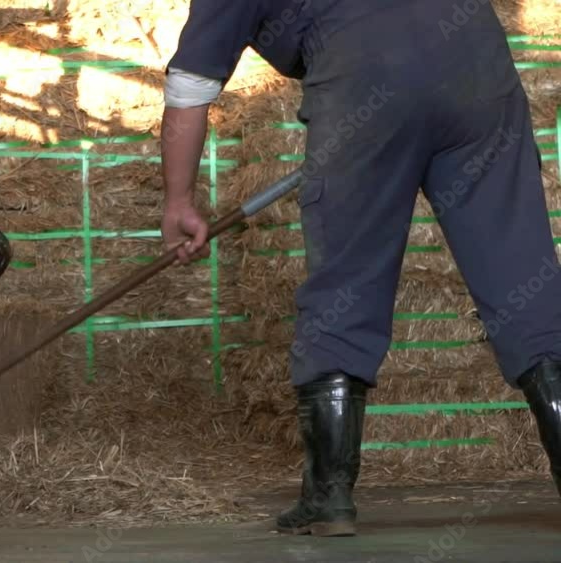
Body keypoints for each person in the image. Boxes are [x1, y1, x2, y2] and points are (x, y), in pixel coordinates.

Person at [160, 0, 561, 537]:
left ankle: (328, 496)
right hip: (475, 58)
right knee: (521, 272)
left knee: (346, 279)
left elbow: (190, 85)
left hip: (364, 76)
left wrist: (180, 201)